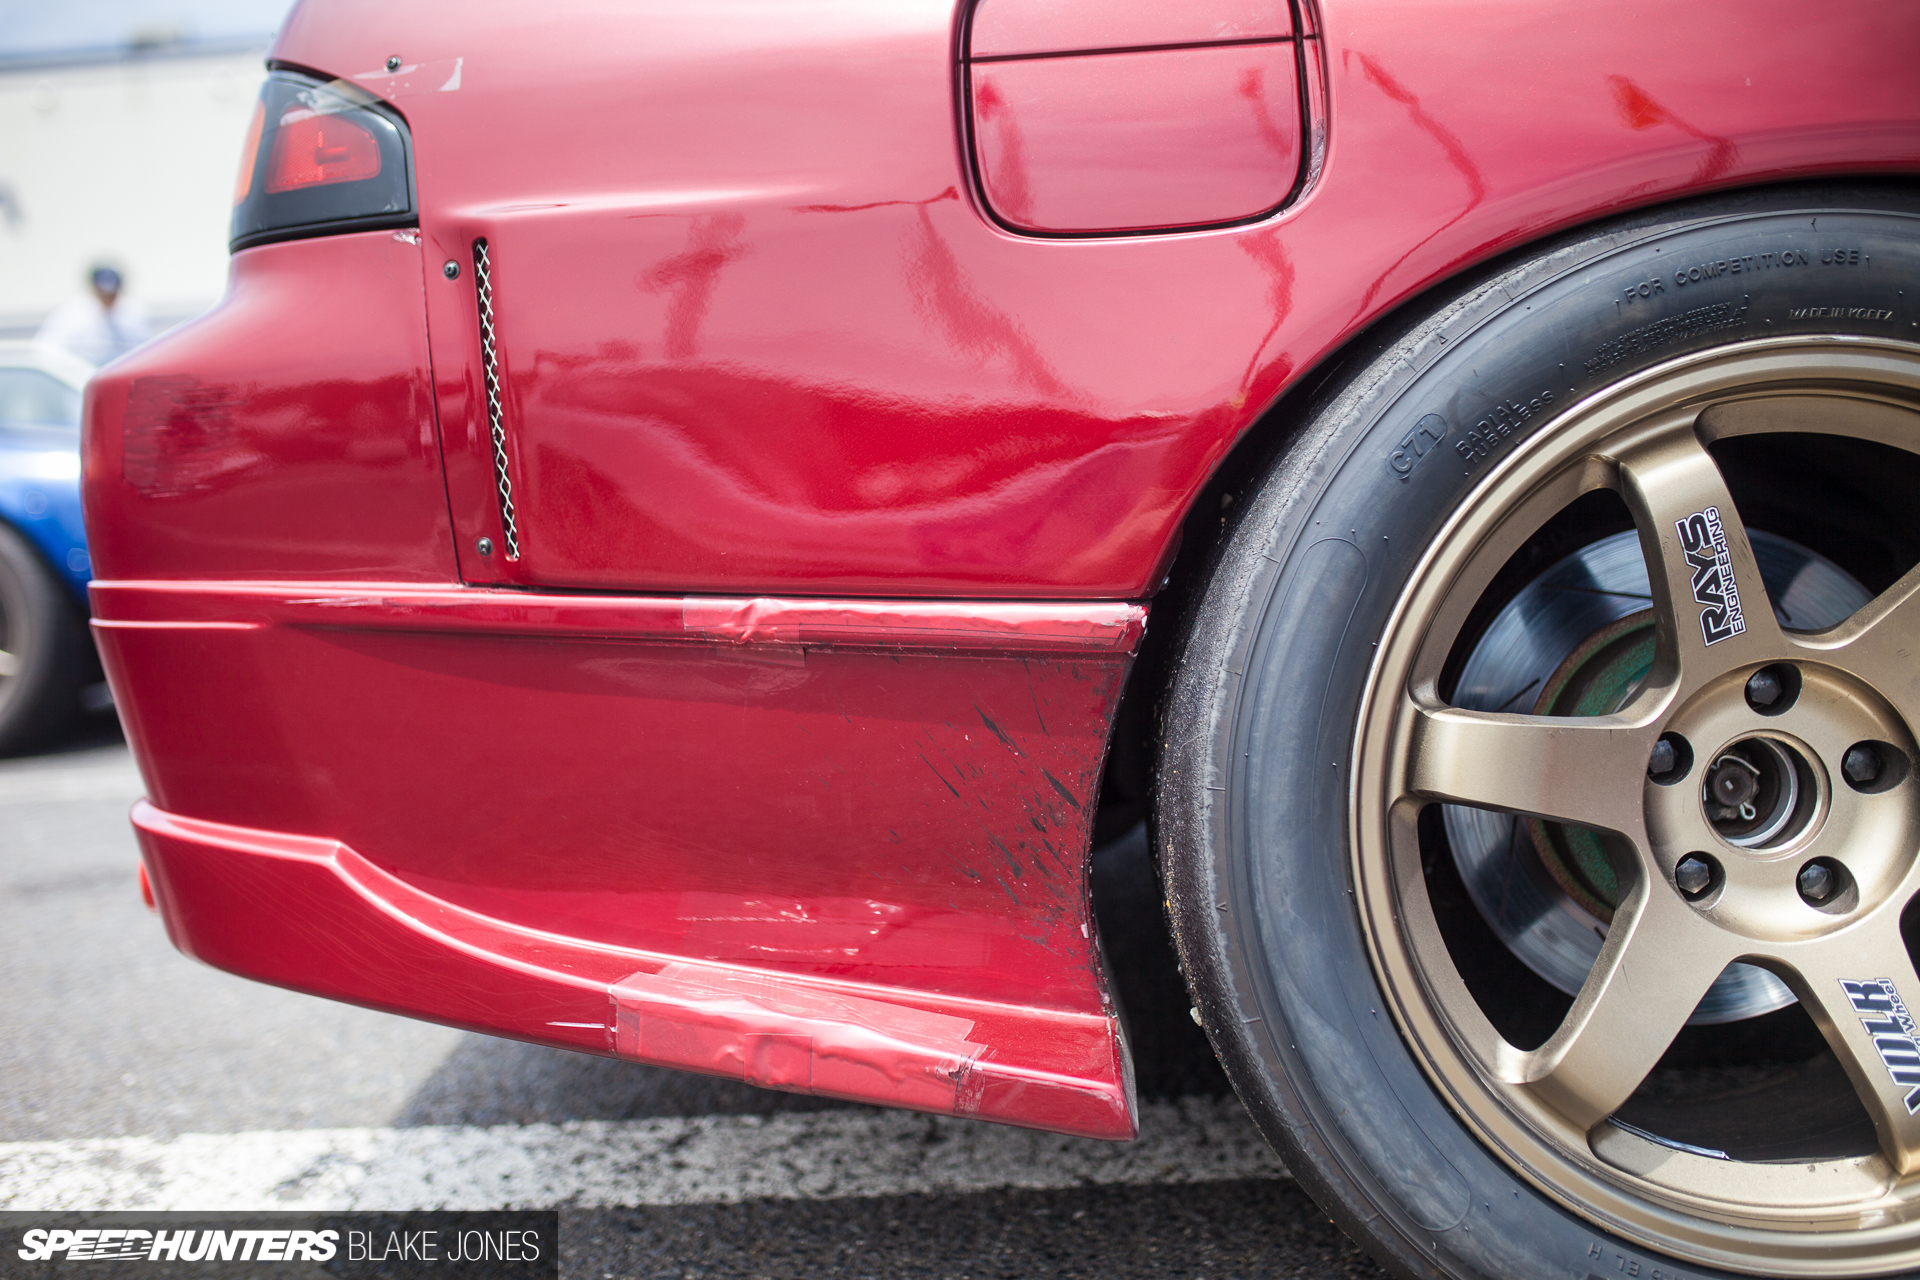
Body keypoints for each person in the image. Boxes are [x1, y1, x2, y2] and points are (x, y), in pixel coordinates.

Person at [35, 265, 152, 365]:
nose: (107, 299)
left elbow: (146, 348)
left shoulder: (132, 310)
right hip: (82, 378)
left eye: (112, 294)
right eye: (103, 294)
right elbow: (46, 351)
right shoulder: (73, 313)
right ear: (93, 289)